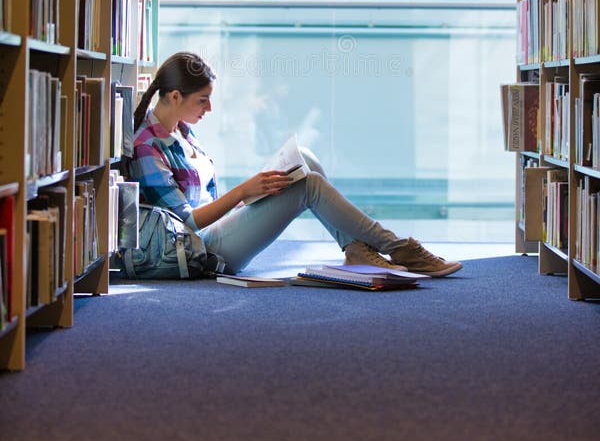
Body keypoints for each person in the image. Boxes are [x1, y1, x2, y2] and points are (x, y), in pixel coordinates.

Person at [126, 51, 463, 278]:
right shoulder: (147, 146)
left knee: (306, 159)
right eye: (202, 100)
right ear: (174, 97)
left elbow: (205, 202)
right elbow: (188, 223)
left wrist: (250, 197)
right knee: (310, 185)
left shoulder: (183, 132)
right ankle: (397, 247)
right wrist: (245, 191)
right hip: (200, 251)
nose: (209, 109)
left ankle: (356, 248)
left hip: (218, 231)